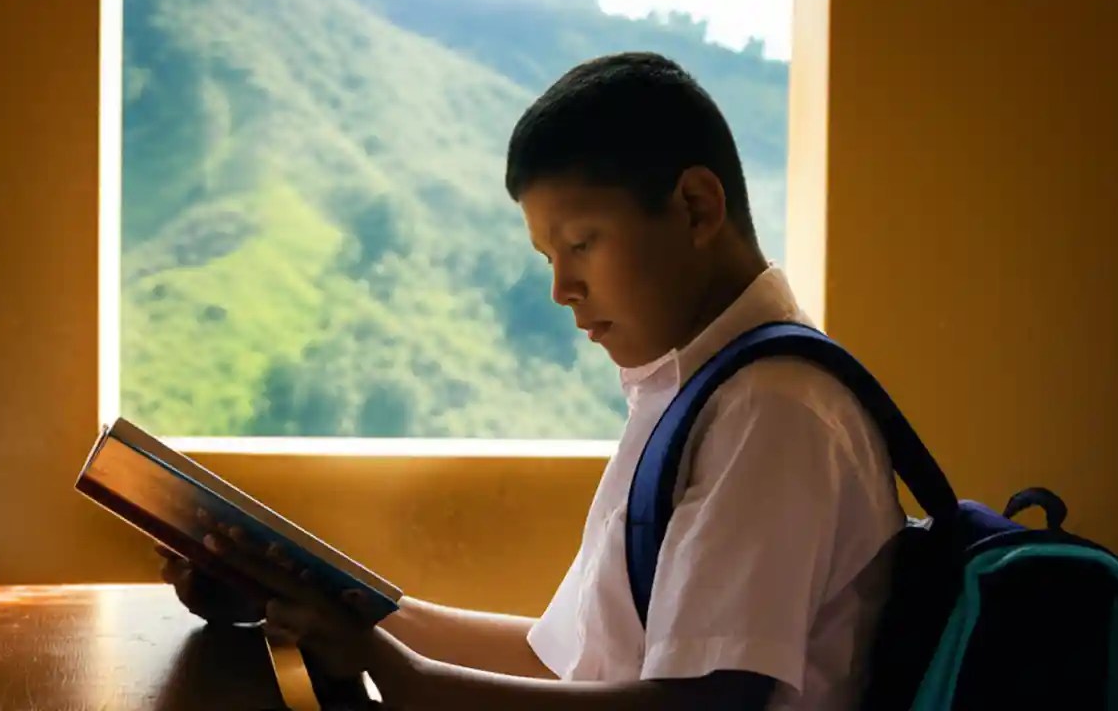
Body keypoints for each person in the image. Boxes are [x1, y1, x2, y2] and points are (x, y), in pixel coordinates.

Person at [161, 51, 904, 711]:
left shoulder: (772, 411)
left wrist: (405, 678)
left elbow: (705, 703)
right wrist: (316, 602)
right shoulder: (694, 394)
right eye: (549, 255)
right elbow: (561, 663)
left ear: (696, 207)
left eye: (581, 243)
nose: (563, 289)